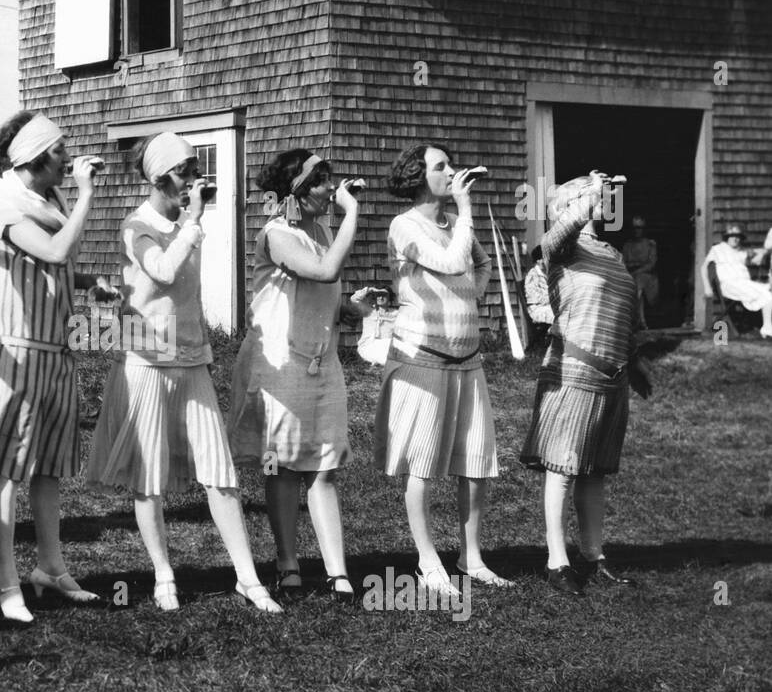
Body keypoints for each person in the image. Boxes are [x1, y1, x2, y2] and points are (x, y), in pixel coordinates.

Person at [84, 132, 281, 613]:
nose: (196, 180)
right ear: (158, 178)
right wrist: (192, 222)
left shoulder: (182, 222)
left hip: (191, 358)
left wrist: (190, 222)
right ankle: (163, 574)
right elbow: (164, 272)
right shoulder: (137, 227)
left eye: (196, 169)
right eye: (186, 172)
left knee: (220, 472)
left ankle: (248, 578)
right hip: (145, 363)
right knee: (147, 475)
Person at [0, 111, 116, 623]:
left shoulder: (48, 198)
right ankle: (4, 577)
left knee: (50, 464)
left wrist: (88, 282)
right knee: (10, 465)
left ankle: (50, 568)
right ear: (36, 157)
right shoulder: (4, 201)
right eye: (60, 152)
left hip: (54, 347)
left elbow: (55, 264)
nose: (68, 160)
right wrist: (86, 193)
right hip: (15, 349)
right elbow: (56, 249)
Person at [227, 149, 368, 603]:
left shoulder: (323, 229)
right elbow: (325, 271)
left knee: (324, 467)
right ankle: (287, 563)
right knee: (283, 467)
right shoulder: (277, 233)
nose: (332, 188)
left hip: (322, 361)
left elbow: (322, 291)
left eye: (330, 179)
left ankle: (337, 571)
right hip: (279, 364)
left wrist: (351, 309)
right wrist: (355, 213)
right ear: (298, 191)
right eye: (322, 181)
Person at [375, 141, 512, 597]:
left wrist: (469, 294)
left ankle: (470, 557)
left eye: (450, 165)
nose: (452, 172)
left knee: (475, 461)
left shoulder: (454, 222)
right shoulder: (403, 226)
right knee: (425, 463)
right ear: (418, 177)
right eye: (442, 167)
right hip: (422, 359)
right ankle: (427, 560)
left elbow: (480, 262)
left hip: (467, 357)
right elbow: (454, 260)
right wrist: (466, 205)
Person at [520, 173, 642, 595]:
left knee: (594, 471)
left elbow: (629, 313)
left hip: (613, 377)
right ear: (569, 204)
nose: (606, 199)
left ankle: (594, 555)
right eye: (591, 196)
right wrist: (591, 192)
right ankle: (557, 561)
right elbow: (559, 234)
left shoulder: (612, 252)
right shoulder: (561, 248)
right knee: (563, 464)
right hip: (572, 370)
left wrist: (637, 363)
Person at [703, 224, 772, 338]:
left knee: (769, 289)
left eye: (738, 236)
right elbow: (703, 267)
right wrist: (707, 286)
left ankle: (767, 327)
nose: (735, 239)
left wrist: (763, 254)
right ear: (727, 237)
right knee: (766, 295)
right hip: (729, 285)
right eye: (732, 236)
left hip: (745, 283)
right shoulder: (718, 249)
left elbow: (763, 250)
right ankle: (767, 329)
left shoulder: (742, 251)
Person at [622, 215, 658, 327]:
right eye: (635, 227)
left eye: (640, 227)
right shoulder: (627, 245)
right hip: (630, 277)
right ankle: (639, 321)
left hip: (648, 278)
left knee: (638, 283)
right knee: (635, 285)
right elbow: (623, 263)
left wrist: (635, 268)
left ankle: (639, 321)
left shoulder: (650, 244)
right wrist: (635, 265)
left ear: (644, 229)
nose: (637, 230)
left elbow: (651, 265)